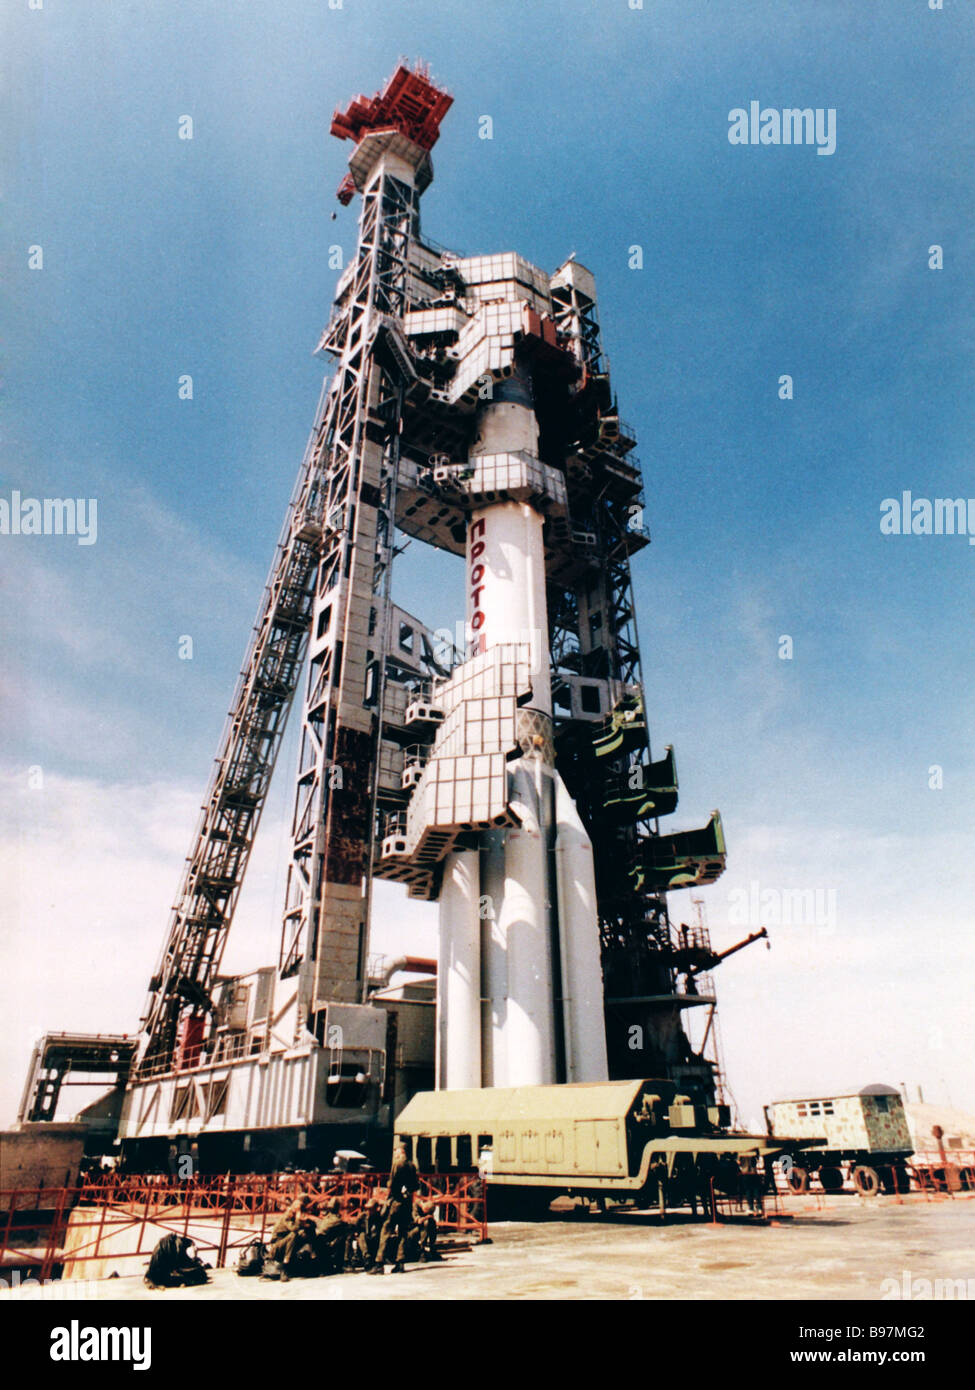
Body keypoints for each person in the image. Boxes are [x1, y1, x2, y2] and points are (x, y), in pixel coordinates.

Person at [369, 1145, 419, 1275]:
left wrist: (390, 1195)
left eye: (396, 1151)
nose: (395, 1154)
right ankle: (400, 1262)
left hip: (396, 1202)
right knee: (403, 1232)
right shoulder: (412, 1166)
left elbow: (392, 1183)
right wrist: (407, 1192)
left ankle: (379, 1263)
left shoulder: (397, 1164)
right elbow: (416, 1185)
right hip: (407, 1203)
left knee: (386, 1230)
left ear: (400, 1152)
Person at [266, 1195, 316, 1281]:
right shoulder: (287, 1217)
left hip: (287, 1245)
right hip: (277, 1247)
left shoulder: (294, 1216)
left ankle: (314, 1262)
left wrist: (308, 1225)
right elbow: (295, 1229)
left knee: (308, 1232)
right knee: (293, 1234)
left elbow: (312, 1224)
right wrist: (298, 1218)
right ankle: (285, 1268)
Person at [144, 1233, 209, 1289]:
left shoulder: (175, 1244)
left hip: (159, 1273)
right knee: (198, 1275)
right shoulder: (178, 1247)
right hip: (162, 1275)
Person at [314, 1196, 351, 1274]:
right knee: (343, 1237)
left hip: (321, 1242)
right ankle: (340, 1264)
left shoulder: (327, 1217)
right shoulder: (336, 1219)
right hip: (324, 1244)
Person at [353, 1196, 385, 1271]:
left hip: (375, 1241)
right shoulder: (362, 1216)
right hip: (365, 1241)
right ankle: (366, 1257)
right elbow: (355, 1227)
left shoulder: (379, 1218)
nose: (369, 1211)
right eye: (368, 1209)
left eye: (371, 1209)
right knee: (362, 1235)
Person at [407, 1198, 440, 1262]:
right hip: (409, 1232)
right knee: (426, 1223)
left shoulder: (426, 1207)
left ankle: (432, 1248)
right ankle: (422, 1251)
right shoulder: (415, 1206)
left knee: (432, 1222)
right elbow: (419, 1221)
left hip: (418, 1230)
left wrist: (430, 1218)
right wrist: (427, 1217)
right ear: (425, 1209)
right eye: (427, 1212)